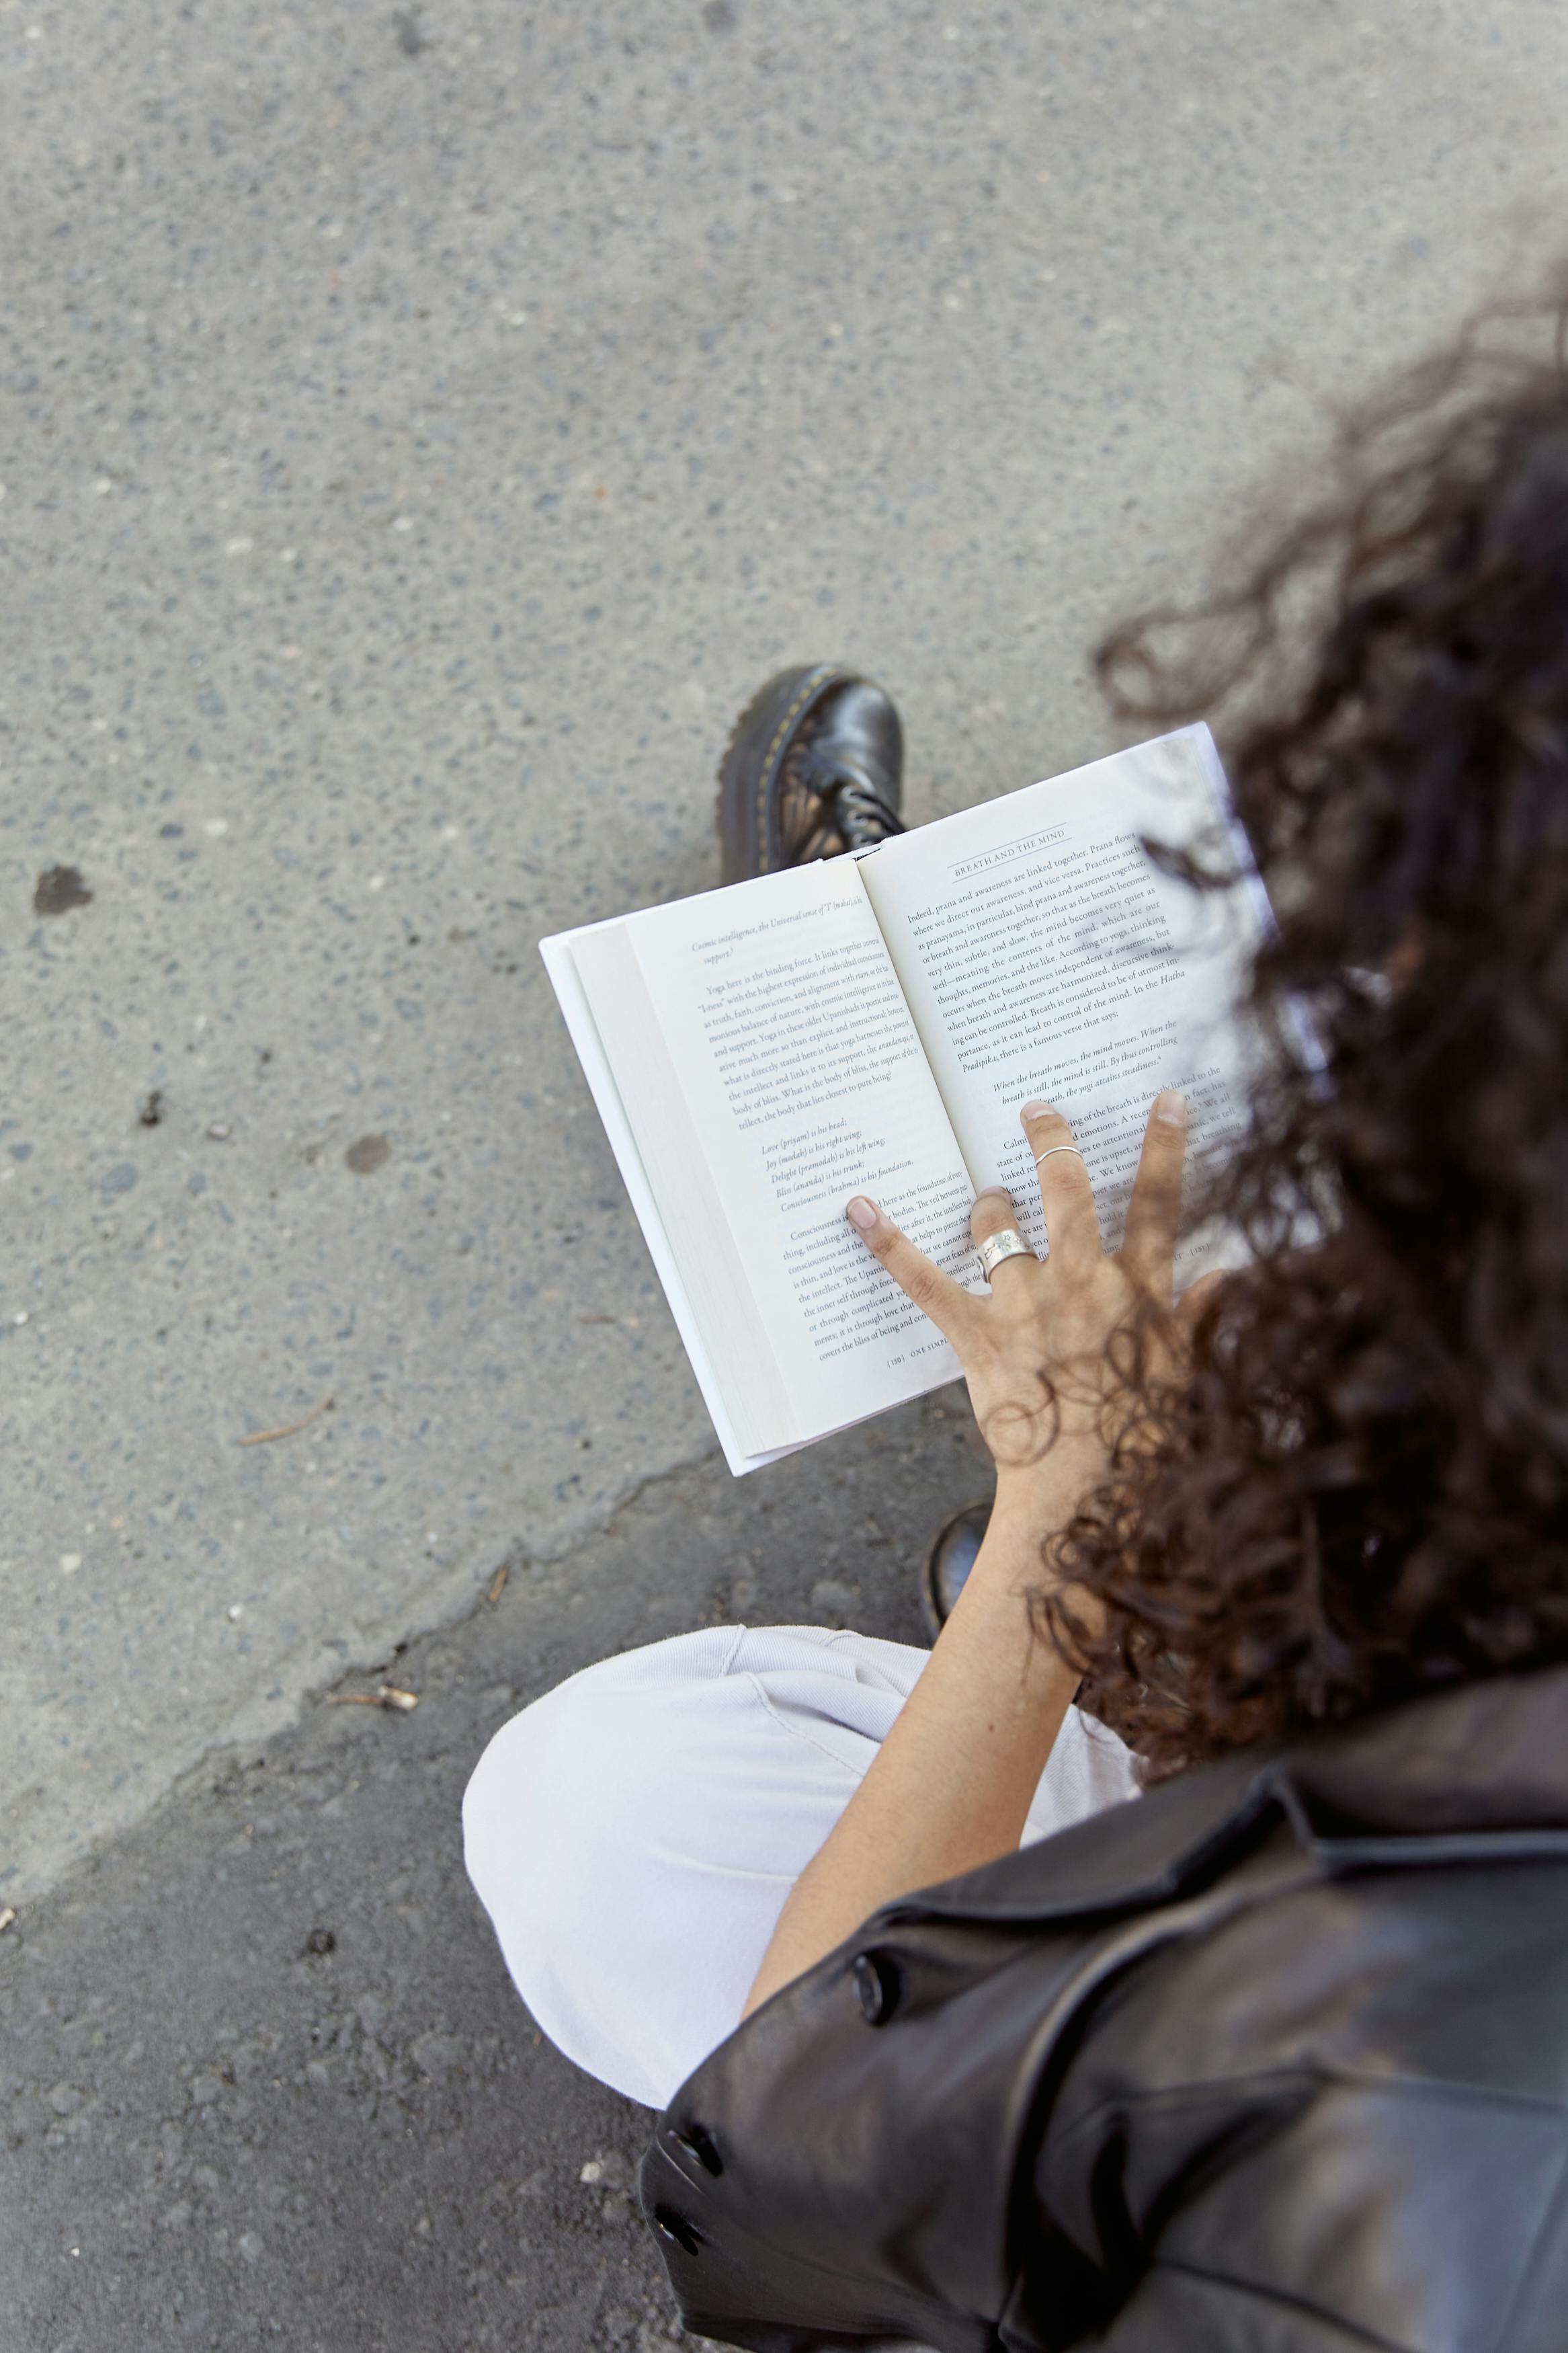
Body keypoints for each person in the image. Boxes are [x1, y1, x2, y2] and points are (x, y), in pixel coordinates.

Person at [464, 300, 1568, 2351]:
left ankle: (1085, 1558)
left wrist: (1070, 1527)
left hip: (1247, 2066)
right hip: (1373, 1819)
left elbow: (802, 2175)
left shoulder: (1420, 2172)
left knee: (585, 1813)